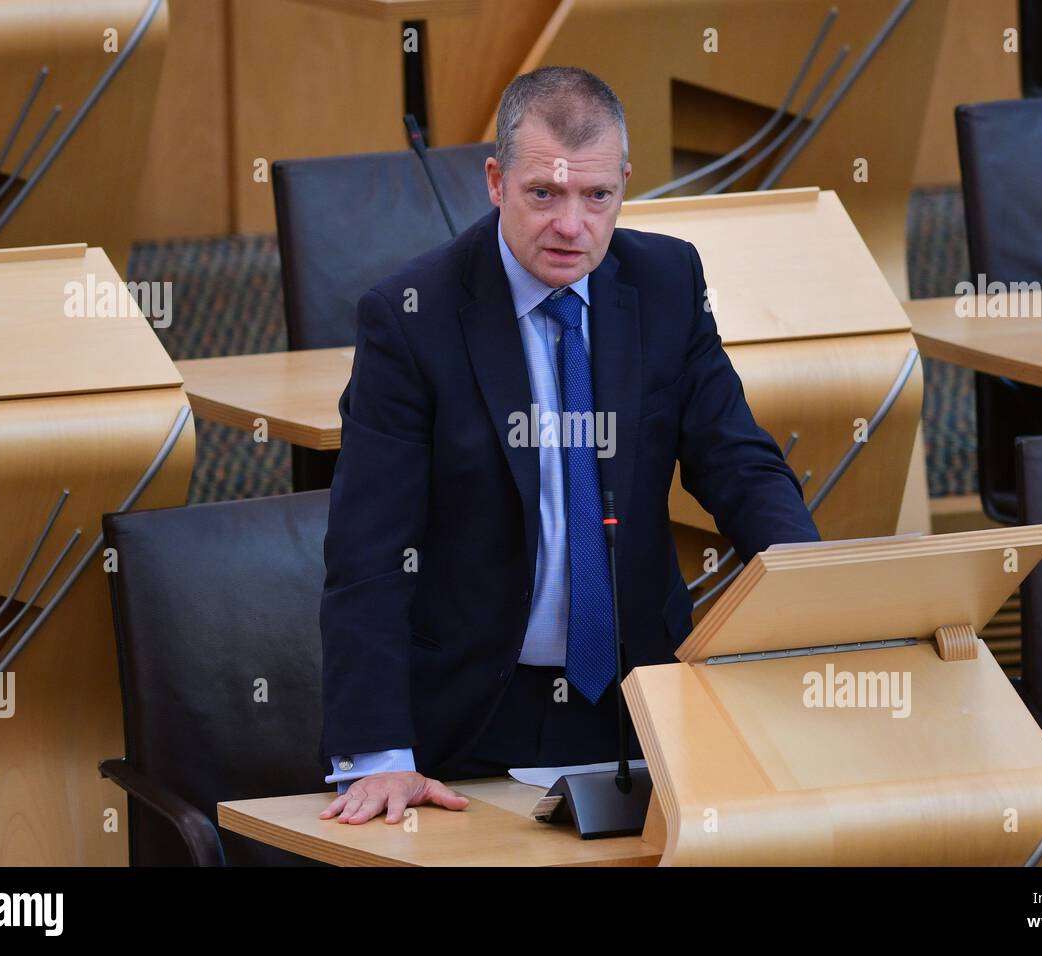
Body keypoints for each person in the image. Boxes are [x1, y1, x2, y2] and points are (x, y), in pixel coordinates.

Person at [320, 66, 819, 826]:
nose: (571, 226)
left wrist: (807, 589)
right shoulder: (410, 317)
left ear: (624, 184)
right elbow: (369, 548)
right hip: (476, 712)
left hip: (643, 701)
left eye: (597, 198)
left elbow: (737, 462)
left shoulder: (666, 281)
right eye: (543, 195)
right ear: (495, 181)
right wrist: (381, 752)